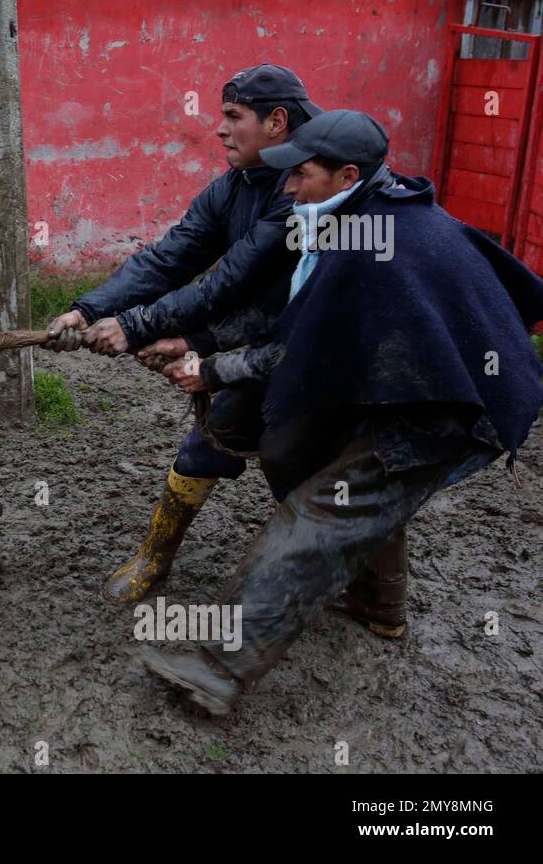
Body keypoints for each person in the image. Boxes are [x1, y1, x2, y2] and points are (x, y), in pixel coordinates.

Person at [137, 109, 543, 714]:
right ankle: (381, 606)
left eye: (301, 176)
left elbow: (300, 350)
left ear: (346, 173)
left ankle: (217, 667)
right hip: (427, 378)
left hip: (451, 407)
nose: (290, 189)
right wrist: (201, 344)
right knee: (358, 495)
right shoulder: (375, 213)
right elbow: (294, 319)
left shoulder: (370, 246)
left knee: (320, 513)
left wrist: (211, 369)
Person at [45, 64, 322, 603]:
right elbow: (172, 257)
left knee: (312, 472)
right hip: (262, 347)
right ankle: (155, 556)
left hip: (315, 355)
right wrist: (90, 309)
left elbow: (233, 281)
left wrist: (140, 327)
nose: (219, 129)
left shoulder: (304, 194)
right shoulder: (235, 185)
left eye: (233, 116)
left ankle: (374, 592)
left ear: (277, 122)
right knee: (209, 447)